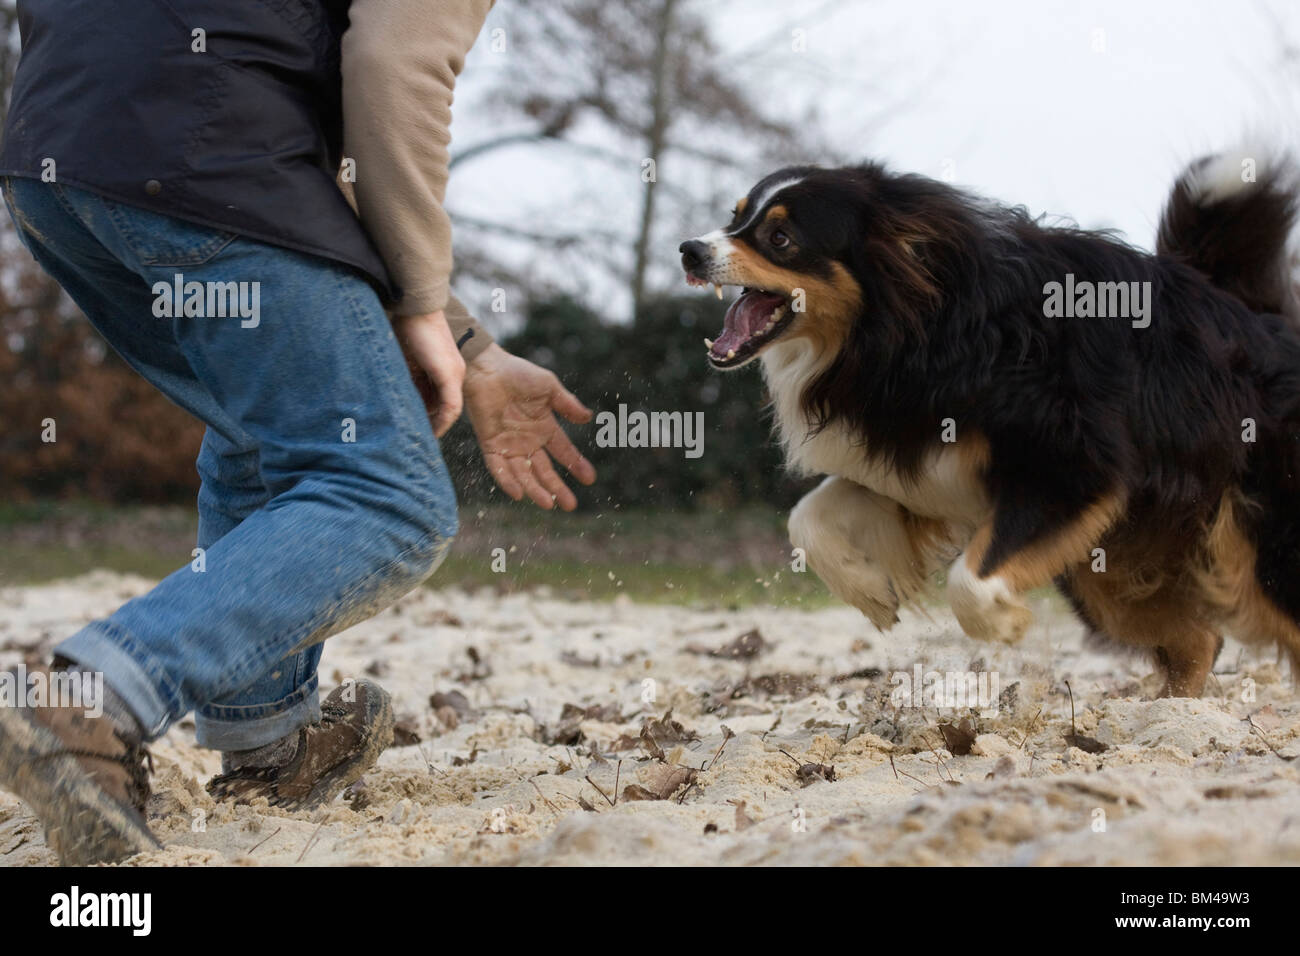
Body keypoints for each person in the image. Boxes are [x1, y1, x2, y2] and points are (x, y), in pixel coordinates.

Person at [0, 0, 595, 864]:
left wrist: (467, 343)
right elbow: (391, 73)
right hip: (207, 160)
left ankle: (266, 743)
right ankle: (93, 698)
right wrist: (424, 300)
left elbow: (320, 136)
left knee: (263, 434)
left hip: (57, 164)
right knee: (386, 495)